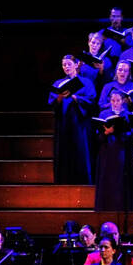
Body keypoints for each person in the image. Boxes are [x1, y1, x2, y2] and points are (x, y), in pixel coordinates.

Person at [49, 55, 94, 185]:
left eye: (69, 64)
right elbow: (53, 103)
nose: (66, 67)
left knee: (81, 153)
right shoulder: (58, 83)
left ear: (76, 65)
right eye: (64, 65)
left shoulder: (86, 82)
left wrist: (76, 97)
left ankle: (83, 182)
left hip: (80, 123)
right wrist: (59, 98)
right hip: (63, 123)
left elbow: (91, 101)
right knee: (64, 154)